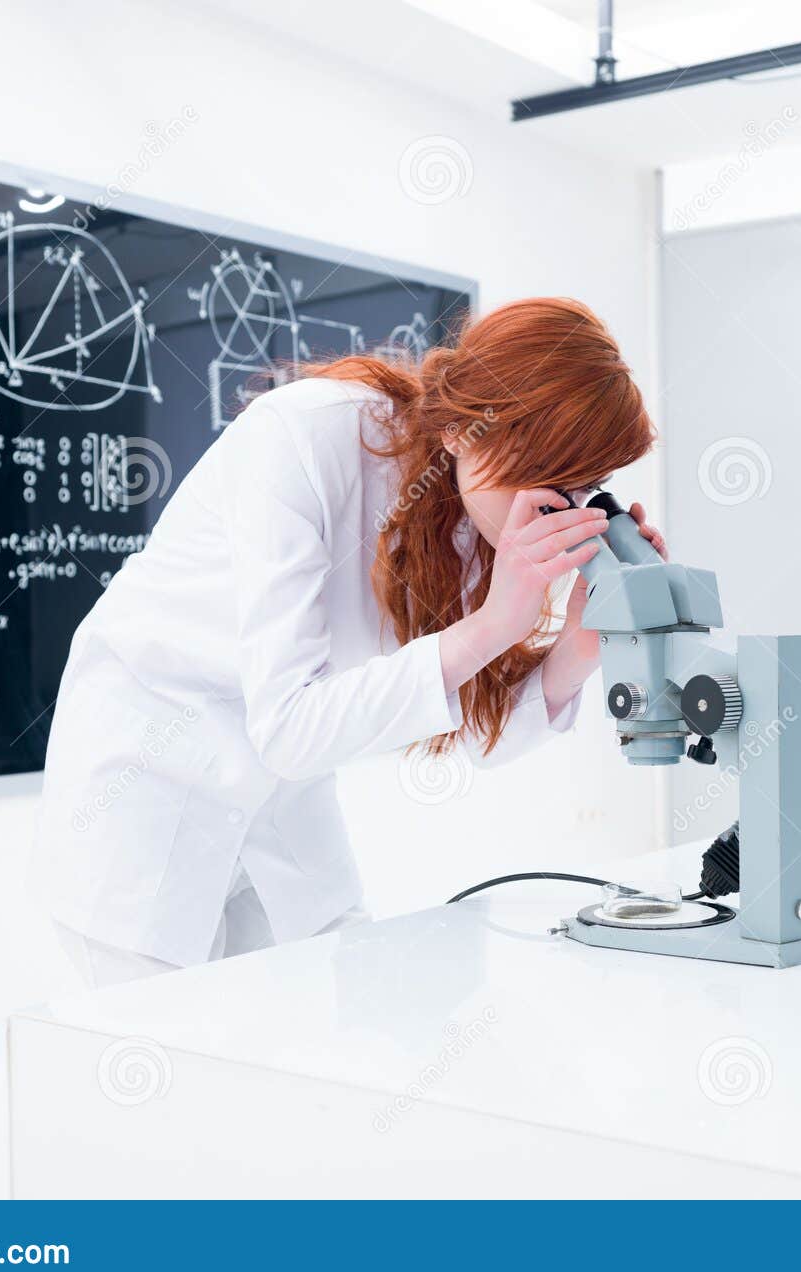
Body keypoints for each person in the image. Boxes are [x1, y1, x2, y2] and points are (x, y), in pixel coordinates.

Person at [34, 298, 665, 985]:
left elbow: (478, 736)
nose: (560, 507)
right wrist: (491, 626)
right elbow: (287, 727)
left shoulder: (477, 519)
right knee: (169, 1055)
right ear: (461, 430)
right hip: (148, 777)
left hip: (282, 795)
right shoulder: (302, 438)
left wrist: (576, 648)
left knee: (334, 1009)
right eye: (547, 475)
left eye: (584, 487)